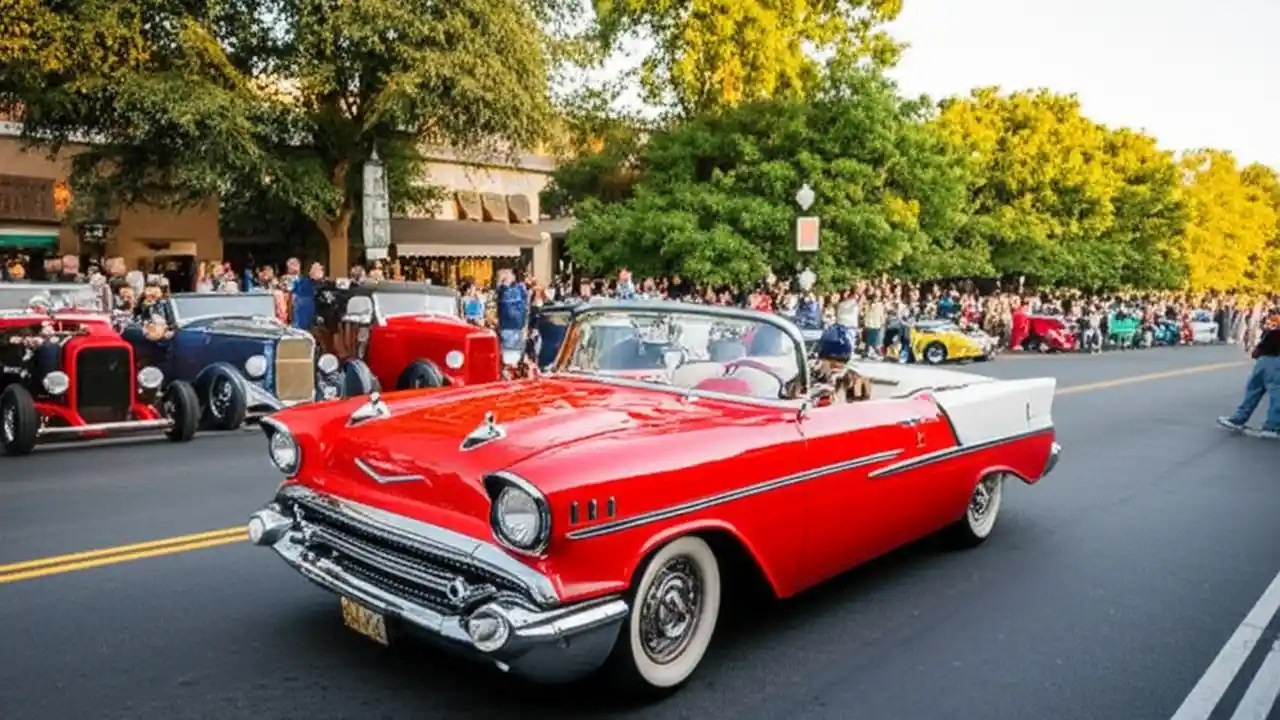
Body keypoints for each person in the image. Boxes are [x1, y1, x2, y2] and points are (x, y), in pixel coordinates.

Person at [1217, 310, 1280, 439]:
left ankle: (1238, 419)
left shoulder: (1271, 333)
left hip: (1262, 362)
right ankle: (1272, 426)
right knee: (1277, 395)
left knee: (1252, 392)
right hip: (1277, 363)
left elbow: (1256, 352)